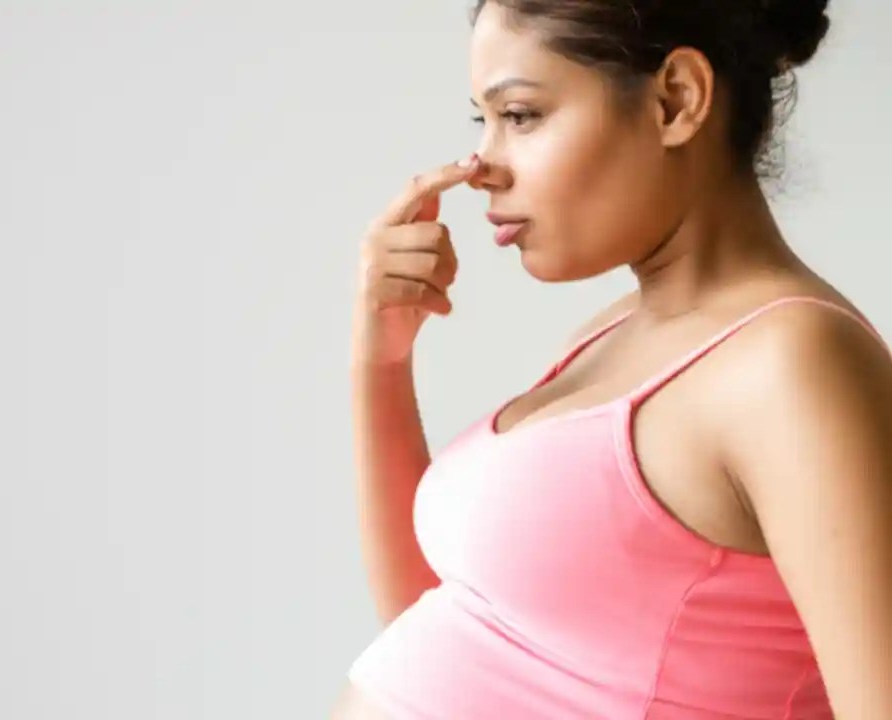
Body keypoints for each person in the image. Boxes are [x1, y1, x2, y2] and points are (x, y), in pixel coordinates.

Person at [333, 1, 892, 718]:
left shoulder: (795, 365)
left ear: (675, 101)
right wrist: (381, 361)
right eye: (483, 120)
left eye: (522, 115)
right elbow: (447, 623)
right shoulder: (616, 332)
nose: (482, 167)